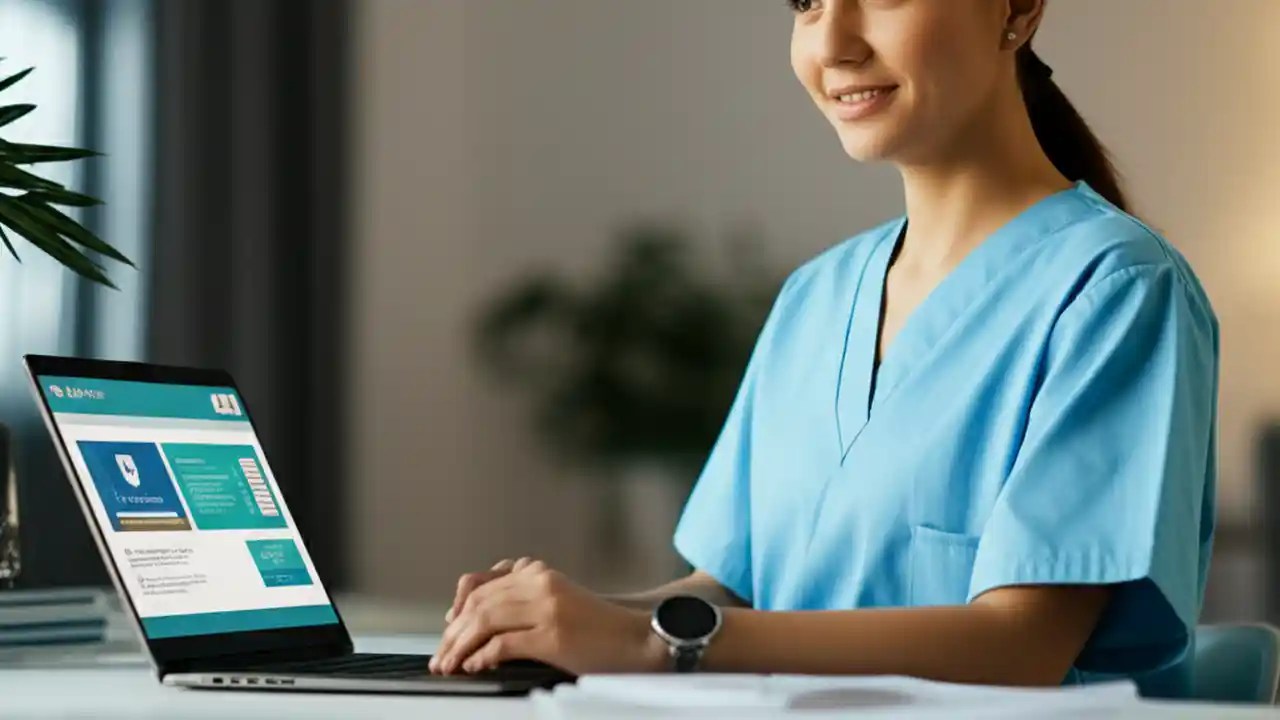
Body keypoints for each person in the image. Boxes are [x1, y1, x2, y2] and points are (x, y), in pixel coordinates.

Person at [429, 0, 1218, 697]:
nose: (834, 43)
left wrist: (645, 641)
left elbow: (1023, 647)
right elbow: (735, 593)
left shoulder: (1117, 290)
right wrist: (558, 621)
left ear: (1017, 8)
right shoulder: (816, 296)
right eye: (806, 1)